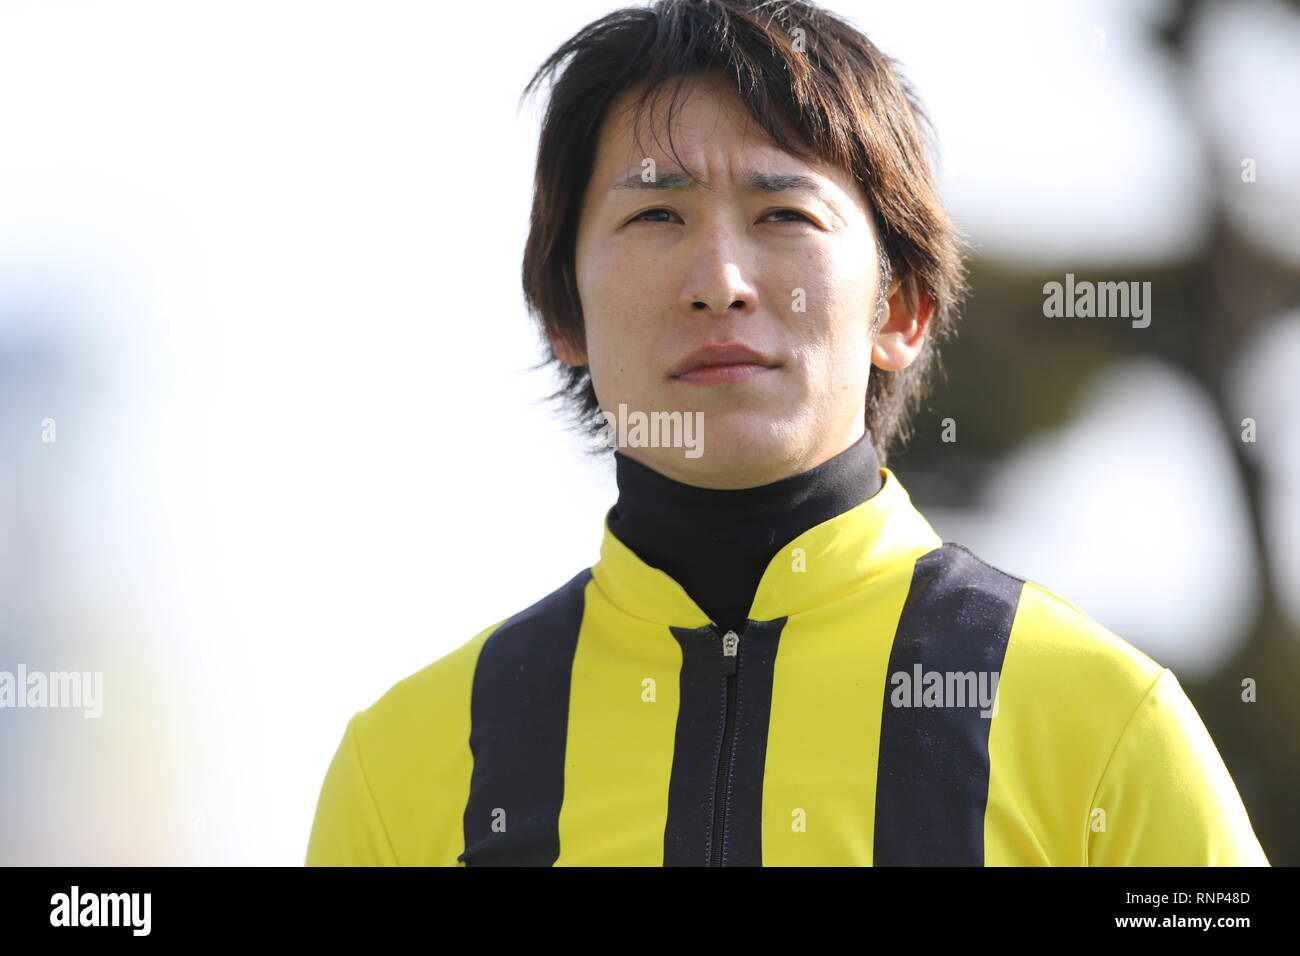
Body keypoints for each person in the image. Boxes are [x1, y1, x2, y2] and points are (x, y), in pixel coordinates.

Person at [306, 0, 1268, 866]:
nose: (719, 278)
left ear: (903, 309)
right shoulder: (406, 771)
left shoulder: (1100, 727)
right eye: (654, 214)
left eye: (783, 213)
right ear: (564, 315)